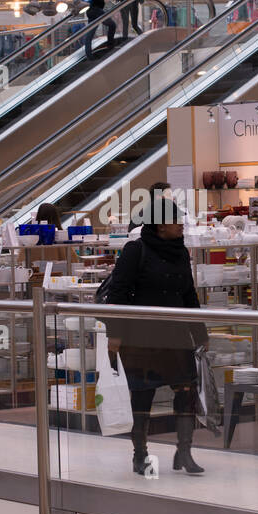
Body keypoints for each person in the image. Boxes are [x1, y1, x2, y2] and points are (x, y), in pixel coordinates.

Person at [103, 189, 207, 476]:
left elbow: (188, 294)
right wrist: (115, 335)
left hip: (175, 335)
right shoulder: (136, 250)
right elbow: (118, 293)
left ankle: (184, 451)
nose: (181, 224)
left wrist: (200, 334)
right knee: (142, 396)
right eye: (176, 220)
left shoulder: (181, 252)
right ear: (160, 225)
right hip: (141, 338)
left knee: (186, 390)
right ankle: (140, 454)